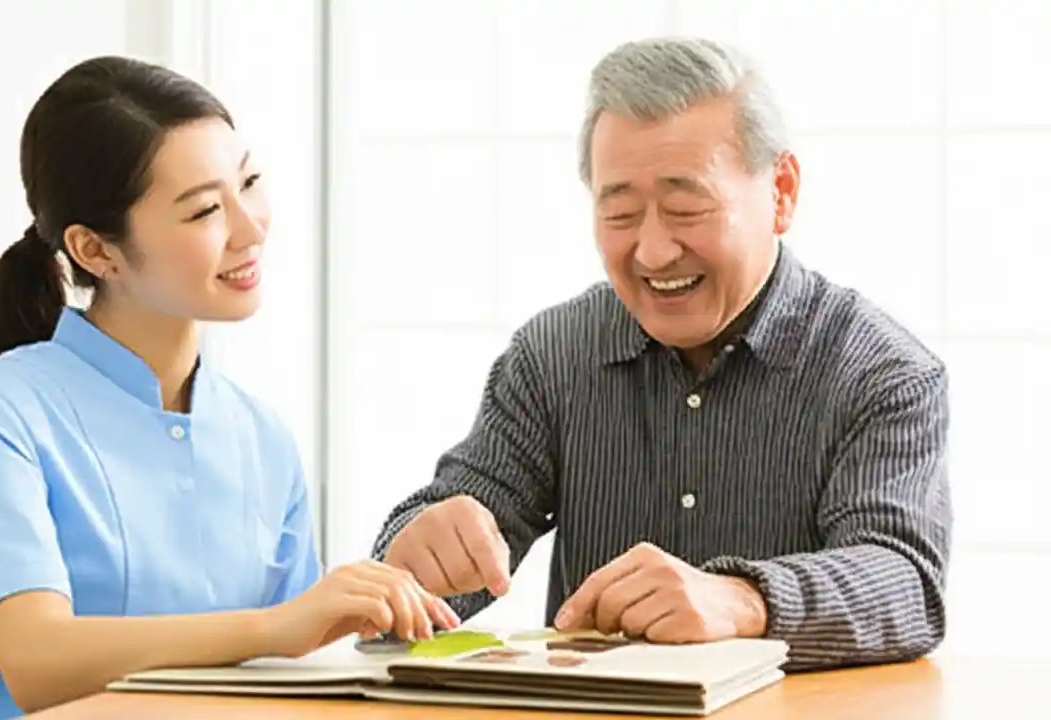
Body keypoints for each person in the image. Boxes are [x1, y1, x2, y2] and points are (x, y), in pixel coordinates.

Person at [0, 56, 457, 720]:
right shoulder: (1, 409)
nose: (251, 228)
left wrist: (385, 596)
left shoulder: (261, 434)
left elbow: (292, 667)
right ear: (95, 250)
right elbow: (35, 660)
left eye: (248, 183)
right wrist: (273, 626)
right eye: (204, 211)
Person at [374, 36, 950, 671]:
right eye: (620, 214)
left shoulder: (883, 372)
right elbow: (454, 532)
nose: (652, 252)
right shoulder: (553, 356)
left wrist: (743, 601)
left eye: (686, 208)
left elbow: (906, 584)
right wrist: (415, 558)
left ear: (781, 191)